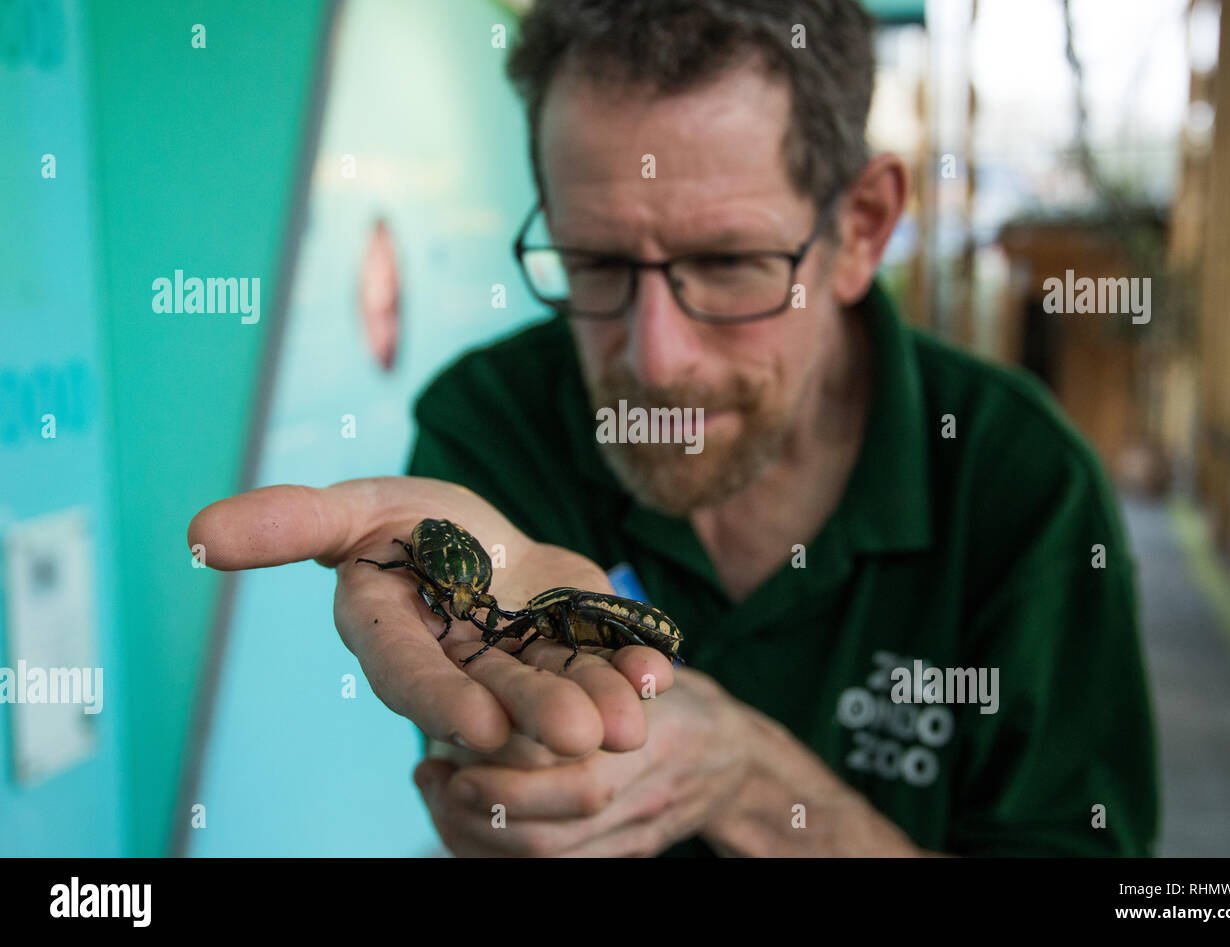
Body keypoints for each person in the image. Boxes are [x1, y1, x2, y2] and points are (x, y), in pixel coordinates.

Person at [190, 0, 1159, 857]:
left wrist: (752, 783)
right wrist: (513, 790)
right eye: (595, 264)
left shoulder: (1022, 485)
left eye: (730, 262)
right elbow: (489, 766)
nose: (655, 359)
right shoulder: (486, 427)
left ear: (861, 228)